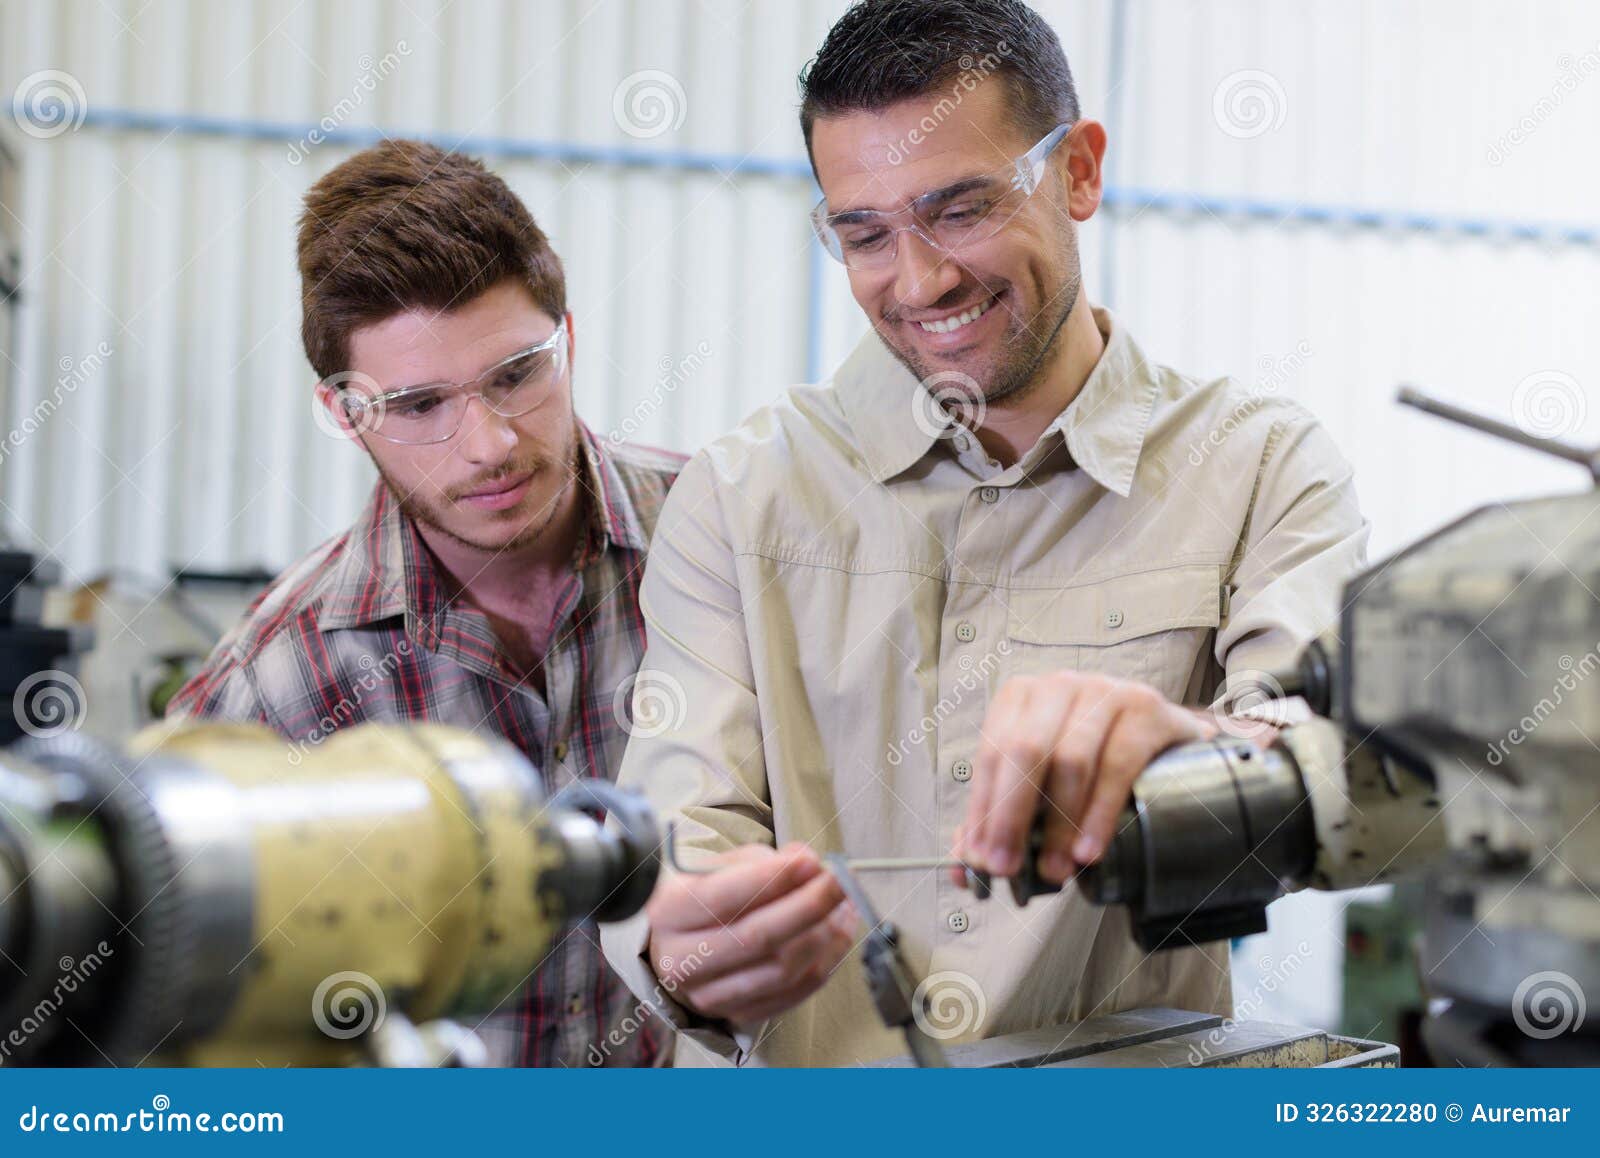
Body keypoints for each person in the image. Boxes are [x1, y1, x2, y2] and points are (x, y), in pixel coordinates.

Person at [602, 0, 1368, 1066]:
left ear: (1079, 173)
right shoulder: (742, 495)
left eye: (960, 210)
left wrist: (1216, 758)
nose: (917, 282)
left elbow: (1351, 773)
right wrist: (681, 937)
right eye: (863, 233)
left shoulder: (1258, 467)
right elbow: (683, 828)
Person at [169, 140, 683, 1067]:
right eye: (416, 405)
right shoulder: (274, 688)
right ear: (343, 411)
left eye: (517, 373)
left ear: (567, 339)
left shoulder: (731, 545)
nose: (487, 443)